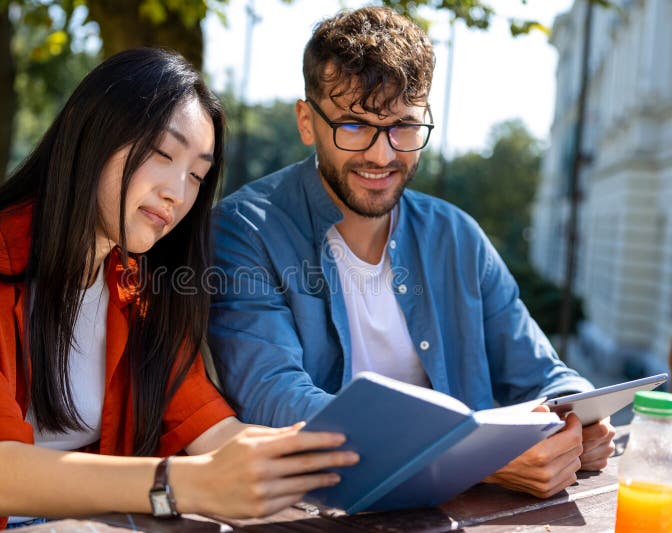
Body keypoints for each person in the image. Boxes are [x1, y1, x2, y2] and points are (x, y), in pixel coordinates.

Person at [0, 48, 359, 532]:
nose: (177, 193)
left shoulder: (139, 293)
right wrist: (185, 483)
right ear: (92, 137)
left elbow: (217, 434)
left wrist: (338, 465)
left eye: (197, 175)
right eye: (161, 155)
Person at [208, 7, 615, 500]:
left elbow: (540, 373)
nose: (382, 155)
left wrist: (578, 419)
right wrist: (477, 458)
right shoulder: (244, 230)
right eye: (354, 126)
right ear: (306, 122)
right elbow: (274, 402)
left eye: (403, 126)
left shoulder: (457, 235)